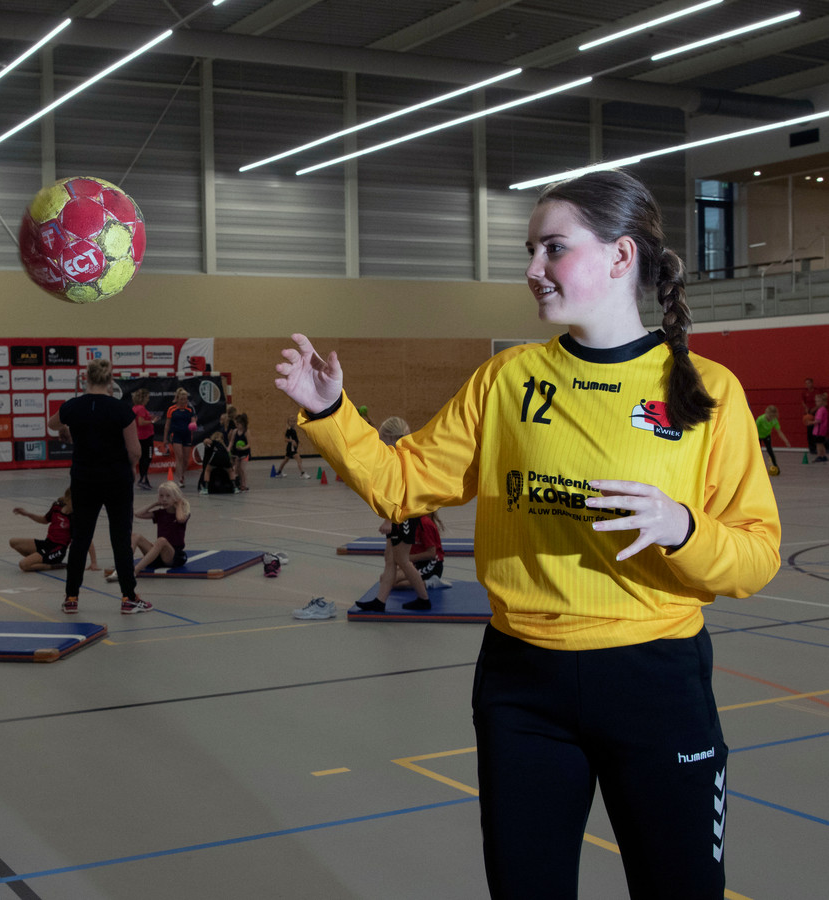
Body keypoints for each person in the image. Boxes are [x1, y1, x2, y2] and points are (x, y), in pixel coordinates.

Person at [275, 169, 780, 899]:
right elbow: (402, 483)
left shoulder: (708, 391)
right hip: (522, 686)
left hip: (655, 682)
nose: (533, 268)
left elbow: (756, 555)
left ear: (621, 255)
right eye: (530, 251)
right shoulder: (507, 380)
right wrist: (330, 414)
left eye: (554, 248)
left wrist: (684, 528)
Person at [50, 358, 149, 614]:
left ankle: (71, 597)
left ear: (86, 378)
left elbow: (52, 424)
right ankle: (129, 597)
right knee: (120, 539)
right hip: (117, 481)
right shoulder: (121, 409)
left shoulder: (73, 406)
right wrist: (132, 469)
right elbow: (135, 450)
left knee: (81, 538)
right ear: (110, 381)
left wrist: (67, 428)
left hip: (84, 480)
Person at [352, 417, 432, 612]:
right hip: (401, 513)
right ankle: (380, 601)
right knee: (390, 558)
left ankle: (423, 598)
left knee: (402, 559)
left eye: (382, 438)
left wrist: (389, 520)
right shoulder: (403, 454)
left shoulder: (398, 458)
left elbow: (397, 491)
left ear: (390, 437)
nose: (380, 441)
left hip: (403, 515)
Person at [111, 482, 190, 579]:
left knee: (161, 540)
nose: (164, 499)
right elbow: (138, 514)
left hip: (173, 556)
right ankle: (124, 567)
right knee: (136, 536)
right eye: (161, 496)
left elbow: (180, 519)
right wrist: (155, 504)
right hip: (158, 556)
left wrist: (179, 504)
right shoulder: (160, 513)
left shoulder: (184, 512)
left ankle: (135, 571)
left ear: (176, 498)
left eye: (168, 496)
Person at [9, 489, 97, 572]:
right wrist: (27, 514)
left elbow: (87, 538)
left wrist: (93, 562)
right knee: (13, 542)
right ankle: (40, 559)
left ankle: (52, 565)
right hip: (47, 543)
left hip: (58, 550)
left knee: (23, 565)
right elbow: (44, 520)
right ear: (67, 500)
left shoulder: (75, 517)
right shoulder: (56, 507)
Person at [163, 387, 197, 487]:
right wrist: (165, 439)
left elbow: (193, 420)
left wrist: (194, 423)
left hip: (187, 435)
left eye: (185, 399)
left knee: (186, 460)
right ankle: (180, 479)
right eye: (182, 399)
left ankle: (182, 474)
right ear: (177, 399)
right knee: (179, 457)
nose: (184, 401)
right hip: (176, 435)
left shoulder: (190, 409)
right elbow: (167, 425)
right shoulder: (171, 409)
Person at [130, 388, 156, 490]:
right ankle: (143, 478)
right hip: (146, 437)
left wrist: (149, 418)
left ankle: (143, 478)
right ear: (143, 398)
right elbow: (140, 422)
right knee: (147, 458)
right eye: (147, 398)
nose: (148, 400)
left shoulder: (135, 408)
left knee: (143, 459)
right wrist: (152, 421)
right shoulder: (140, 408)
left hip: (140, 436)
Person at [754, 405, 790, 472]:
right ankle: (756, 467)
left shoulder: (774, 421)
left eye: (772, 417)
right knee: (757, 451)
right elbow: (753, 429)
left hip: (767, 436)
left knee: (770, 450)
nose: (770, 419)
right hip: (758, 436)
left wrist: (786, 441)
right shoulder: (760, 419)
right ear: (766, 413)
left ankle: (775, 465)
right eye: (769, 417)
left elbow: (779, 432)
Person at [230, 412, 253, 491]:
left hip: (245, 454)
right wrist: (228, 448)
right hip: (237, 453)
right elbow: (231, 442)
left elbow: (249, 444)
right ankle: (238, 483)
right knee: (236, 469)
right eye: (236, 423)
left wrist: (243, 448)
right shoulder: (235, 431)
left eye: (238, 424)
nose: (236, 425)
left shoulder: (246, 432)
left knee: (242, 469)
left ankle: (244, 485)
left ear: (242, 424)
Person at [801, 377, 818, 452]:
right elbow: (803, 402)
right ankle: (811, 447)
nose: (807, 385)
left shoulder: (817, 391)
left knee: (817, 429)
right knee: (809, 430)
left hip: (816, 412)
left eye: (809, 383)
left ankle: (818, 446)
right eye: (806, 383)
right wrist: (806, 408)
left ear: (812, 383)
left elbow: (820, 401)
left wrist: (815, 408)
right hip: (808, 413)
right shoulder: (804, 392)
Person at [813, 393, 829, 463]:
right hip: (823, 430)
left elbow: (818, 420)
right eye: (816, 401)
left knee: (818, 444)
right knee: (821, 444)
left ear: (822, 402)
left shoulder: (820, 410)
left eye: (818, 401)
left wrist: (810, 422)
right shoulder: (824, 409)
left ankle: (820, 456)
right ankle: (824, 456)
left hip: (819, 430)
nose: (816, 402)